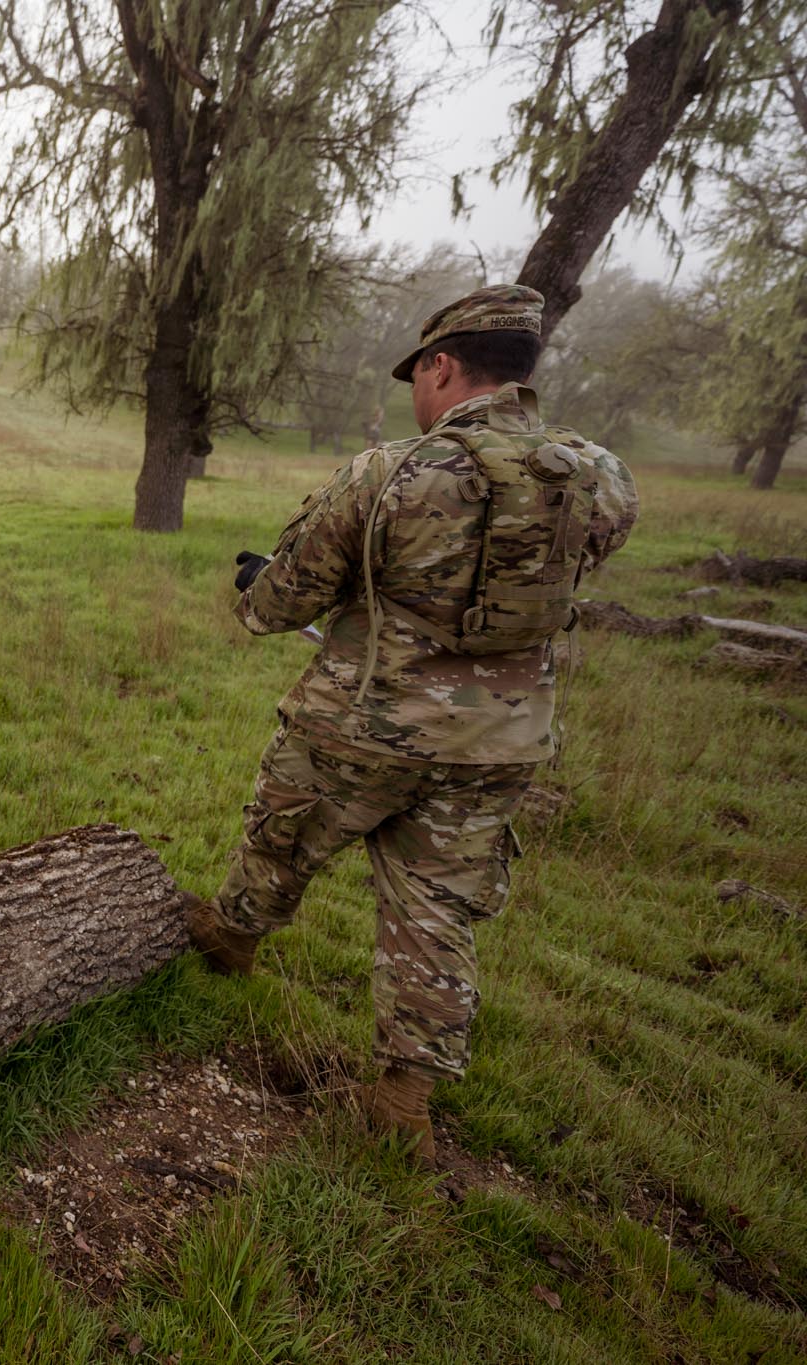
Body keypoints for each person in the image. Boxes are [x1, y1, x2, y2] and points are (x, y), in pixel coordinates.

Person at [189, 285, 639, 1163]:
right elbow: (577, 554)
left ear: (442, 365)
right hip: (498, 745)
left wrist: (260, 583)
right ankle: (403, 1100)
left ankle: (233, 938)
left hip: (366, 726)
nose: (415, 395)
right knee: (436, 912)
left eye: (419, 375)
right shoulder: (597, 474)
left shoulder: (389, 472)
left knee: (283, 836)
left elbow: (281, 604)